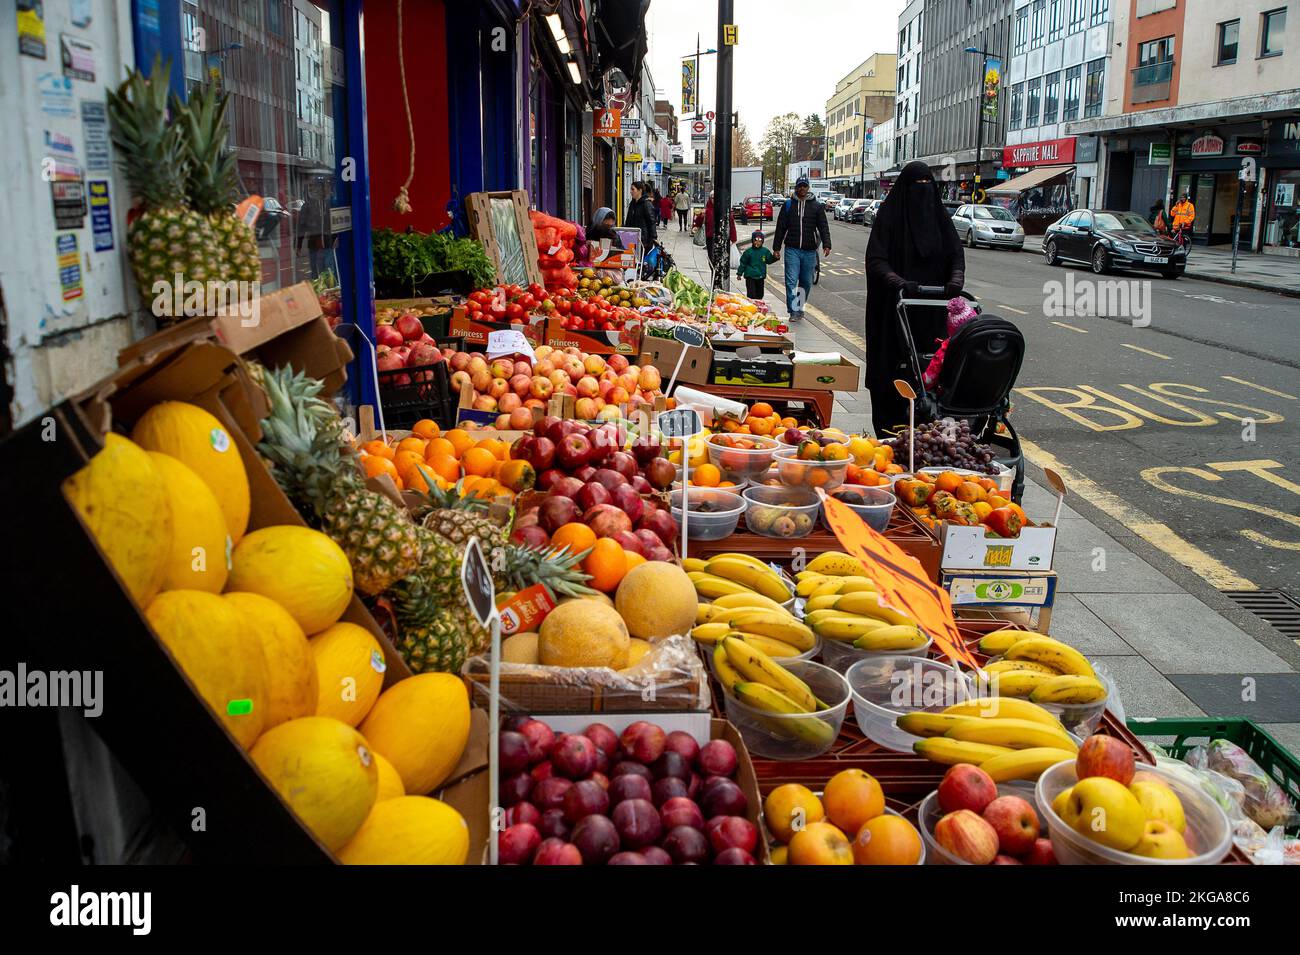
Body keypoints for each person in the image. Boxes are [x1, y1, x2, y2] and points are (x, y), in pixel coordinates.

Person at [864, 160, 965, 435]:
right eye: (916, 186)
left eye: (926, 186)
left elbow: (956, 254)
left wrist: (955, 279)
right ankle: (888, 431)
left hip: (933, 311)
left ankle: (928, 426)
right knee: (891, 371)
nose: (922, 192)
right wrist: (896, 282)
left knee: (932, 369)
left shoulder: (941, 219)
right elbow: (875, 259)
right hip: (893, 311)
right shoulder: (889, 216)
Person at [770, 176, 831, 321]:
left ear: (808, 187)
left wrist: (827, 244)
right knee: (791, 281)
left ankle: (800, 306)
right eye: (800, 186)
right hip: (792, 249)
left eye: (804, 186)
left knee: (805, 282)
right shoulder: (788, 205)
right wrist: (776, 247)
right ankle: (794, 311)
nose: (802, 188)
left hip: (810, 251)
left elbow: (823, 226)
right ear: (796, 188)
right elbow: (781, 227)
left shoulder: (816, 206)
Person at [921, 296, 979, 390]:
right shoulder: (981, 343)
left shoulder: (946, 350)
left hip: (953, 393)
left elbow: (929, 379)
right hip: (978, 389)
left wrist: (920, 380)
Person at [703, 190, 737, 276]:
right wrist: (699, 217)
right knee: (711, 260)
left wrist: (733, 238)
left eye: (716, 198)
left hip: (723, 238)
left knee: (721, 260)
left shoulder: (725, 209)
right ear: (710, 198)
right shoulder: (707, 210)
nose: (715, 200)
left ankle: (718, 277)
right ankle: (714, 276)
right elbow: (699, 223)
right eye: (713, 198)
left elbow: (731, 223)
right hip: (711, 238)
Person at [736, 230, 775, 301]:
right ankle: (751, 304)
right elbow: (743, 263)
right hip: (750, 276)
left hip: (760, 276)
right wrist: (739, 273)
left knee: (760, 294)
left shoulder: (765, 251)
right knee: (751, 294)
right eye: (755, 240)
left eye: (760, 241)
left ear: (762, 241)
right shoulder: (748, 252)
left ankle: (758, 306)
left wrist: (775, 257)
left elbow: (769, 260)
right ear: (752, 241)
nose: (757, 242)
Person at [625, 181, 658, 250]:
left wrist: (654, 238)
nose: (631, 191)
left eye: (633, 189)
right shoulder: (632, 204)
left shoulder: (646, 204)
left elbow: (651, 222)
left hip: (643, 240)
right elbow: (628, 220)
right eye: (631, 189)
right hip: (631, 238)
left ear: (640, 190)